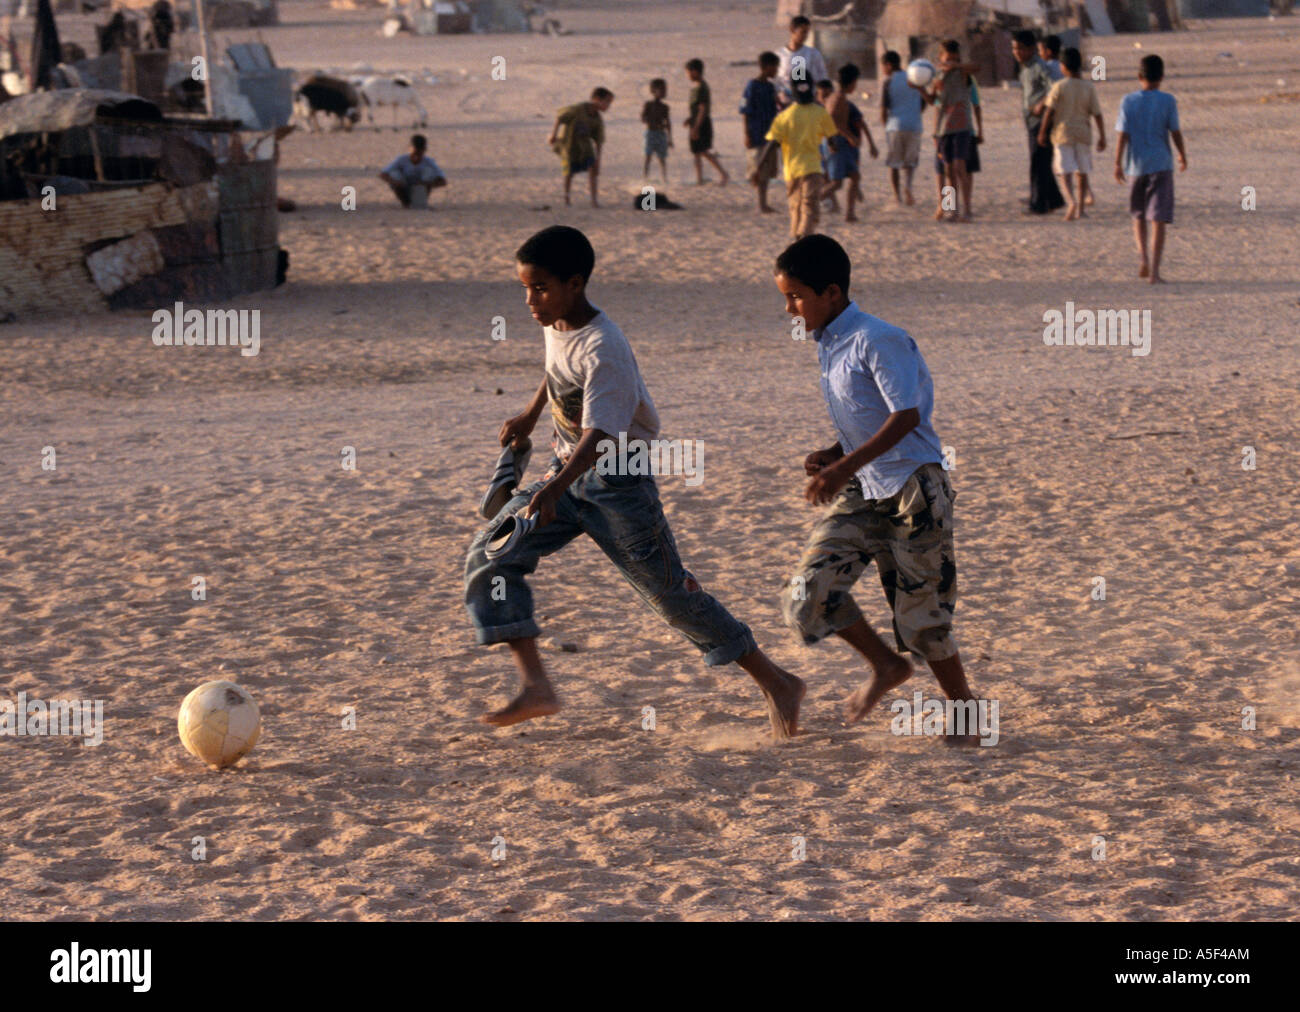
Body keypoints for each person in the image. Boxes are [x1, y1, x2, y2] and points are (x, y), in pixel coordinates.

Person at [464, 226, 806, 738]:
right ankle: (537, 685)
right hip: (566, 475)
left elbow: (602, 435)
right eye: (525, 288)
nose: (529, 301)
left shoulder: (606, 348)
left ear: (575, 283)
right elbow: (557, 369)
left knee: (672, 597)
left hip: (618, 484)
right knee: (489, 555)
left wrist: (554, 490)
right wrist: (532, 414)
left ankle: (777, 682)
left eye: (539, 288)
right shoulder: (557, 321)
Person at [772, 234, 979, 739]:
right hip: (864, 485)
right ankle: (886, 667)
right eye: (785, 297)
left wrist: (842, 468)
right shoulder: (830, 342)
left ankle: (967, 716)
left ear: (832, 293)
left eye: (796, 296)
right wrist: (835, 453)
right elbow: (869, 420)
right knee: (807, 593)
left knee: (922, 618)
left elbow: (905, 416)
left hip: (913, 489)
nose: (789, 308)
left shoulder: (877, 338)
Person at [1114, 54, 1187, 283]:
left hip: (1136, 165)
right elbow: (1174, 131)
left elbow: (1122, 135)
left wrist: (1117, 163)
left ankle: (1143, 258)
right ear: (1162, 77)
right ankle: (1155, 272)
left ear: (1139, 76)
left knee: (1138, 215)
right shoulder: (1168, 100)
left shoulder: (1127, 101)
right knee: (1158, 219)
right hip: (1161, 164)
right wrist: (1182, 154)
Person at [762, 77, 837, 239]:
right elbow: (832, 138)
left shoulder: (784, 116)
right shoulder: (820, 112)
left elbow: (771, 144)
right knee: (809, 206)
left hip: (791, 171)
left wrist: (759, 166)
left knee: (795, 207)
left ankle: (797, 237)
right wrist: (832, 145)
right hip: (812, 168)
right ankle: (802, 235)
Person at [1038, 46, 1105, 221]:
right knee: (1082, 172)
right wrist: (1102, 136)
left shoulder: (1058, 86)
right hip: (1083, 133)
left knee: (1063, 171)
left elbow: (1049, 111)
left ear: (1063, 66)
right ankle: (1081, 209)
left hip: (1062, 134)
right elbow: (1097, 114)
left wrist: (1042, 132)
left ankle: (1071, 201)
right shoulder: (1088, 87)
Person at [1012, 29, 1065, 215]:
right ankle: (1055, 199)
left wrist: (1042, 103)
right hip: (1030, 120)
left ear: (1032, 49)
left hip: (1042, 122)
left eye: (1020, 49)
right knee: (1041, 161)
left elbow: (1054, 87)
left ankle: (1038, 204)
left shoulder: (1039, 66)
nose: (1016, 52)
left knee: (1038, 162)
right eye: (1014, 49)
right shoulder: (1025, 68)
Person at [821, 62, 877, 223]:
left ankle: (850, 214)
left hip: (841, 143)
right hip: (836, 142)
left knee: (854, 176)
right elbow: (830, 120)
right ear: (852, 82)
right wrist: (849, 136)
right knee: (836, 183)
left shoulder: (838, 97)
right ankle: (809, 202)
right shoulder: (837, 98)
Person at [927, 40, 974, 222]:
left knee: (959, 168)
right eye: (948, 58)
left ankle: (967, 209)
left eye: (955, 58)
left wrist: (957, 65)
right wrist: (918, 88)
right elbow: (934, 102)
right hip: (943, 130)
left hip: (961, 127)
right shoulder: (937, 77)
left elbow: (976, 67)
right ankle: (950, 209)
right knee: (947, 171)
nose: (951, 62)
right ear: (941, 57)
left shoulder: (962, 72)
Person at [548, 87, 613, 207]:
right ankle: (567, 197)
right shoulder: (578, 109)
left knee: (593, 168)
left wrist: (598, 160)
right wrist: (553, 135)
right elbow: (560, 117)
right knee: (569, 172)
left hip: (584, 146)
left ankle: (594, 200)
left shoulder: (598, 119)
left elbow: (599, 141)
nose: (608, 106)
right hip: (569, 144)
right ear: (597, 99)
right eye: (607, 102)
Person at [739, 51, 781, 213]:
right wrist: (746, 134)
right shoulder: (752, 86)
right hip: (756, 134)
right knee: (758, 169)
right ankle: (761, 203)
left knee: (768, 171)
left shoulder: (770, 87)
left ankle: (763, 202)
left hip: (770, 134)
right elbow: (745, 111)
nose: (776, 70)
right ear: (766, 67)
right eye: (775, 67)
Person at [879, 50, 923, 206]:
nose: (882, 70)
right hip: (914, 125)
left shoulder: (888, 81)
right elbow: (923, 102)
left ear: (889, 65)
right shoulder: (914, 78)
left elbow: (883, 108)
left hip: (895, 125)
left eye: (883, 66)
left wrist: (886, 126)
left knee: (894, 163)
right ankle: (908, 187)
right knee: (910, 162)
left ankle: (897, 196)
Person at [684, 58, 728, 185]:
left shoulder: (702, 88)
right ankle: (699, 179)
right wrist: (690, 119)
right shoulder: (696, 88)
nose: (687, 75)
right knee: (696, 152)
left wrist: (696, 127)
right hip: (695, 122)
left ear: (695, 72)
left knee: (703, 151)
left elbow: (703, 109)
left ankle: (723, 173)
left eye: (688, 72)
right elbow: (695, 109)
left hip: (701, 123)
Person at [377, 134, 446, 208]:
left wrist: (427, 183)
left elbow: (443, 181)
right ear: (409, 148)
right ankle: (406, 203)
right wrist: (395, 182)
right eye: (414, 154)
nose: (416, 157)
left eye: (419, 154)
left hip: (420, 190)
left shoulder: (429, 161)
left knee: (429, 172)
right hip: (404, 188)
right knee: (394, 174)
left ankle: (420, 202)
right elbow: (382, 174)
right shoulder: (401, 159)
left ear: (424, 150)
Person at [777, 14, 828, 108]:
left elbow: (822, 78)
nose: (805, 36)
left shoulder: (813, 54)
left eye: (807, 32)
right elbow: (776, 81)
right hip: (785, 104)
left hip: (809, 103)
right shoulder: (780, 55)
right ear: (792, 30)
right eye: (802, 32)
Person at [641, 78, 672, 183]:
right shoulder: (648, 105)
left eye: (665, 90)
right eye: (661, 90)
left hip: (661, 134)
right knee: (648, 156)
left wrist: (670, 138)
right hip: (650, 133)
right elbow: (643, 118)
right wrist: (650, 120)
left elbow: (668, 123)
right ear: (653, 91)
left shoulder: (665, 107)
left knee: (661, 158)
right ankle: (645, 177)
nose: (664, 92)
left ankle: (664, 177)